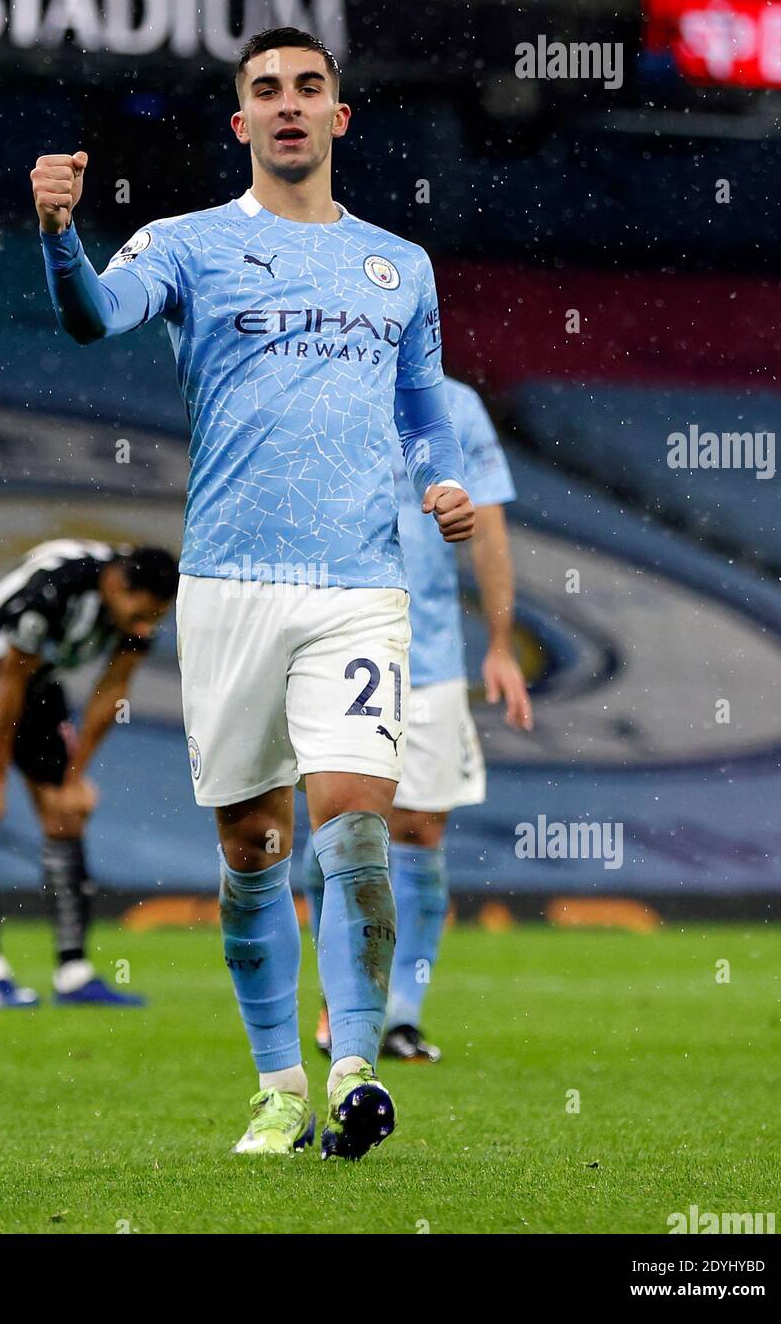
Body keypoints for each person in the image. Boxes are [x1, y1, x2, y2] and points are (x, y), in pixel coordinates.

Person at [31, 27, 475, 1158]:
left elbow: (423, 411)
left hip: (359, 586)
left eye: (309, 88)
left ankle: (360, 1069)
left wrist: (443, 482)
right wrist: (55, 235)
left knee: (357, 827)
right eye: (265, 91)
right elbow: (91, 318)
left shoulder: (399, 265)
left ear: (340, 117)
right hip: (228, 584)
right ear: (240, 123)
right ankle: (280, 1083)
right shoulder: (185, 244)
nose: (288, 105)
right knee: (250, 850)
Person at [302, 376, 533, 1062]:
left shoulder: (453, 406)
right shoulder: (319, 389)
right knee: (336, 822)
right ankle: (341, 1001)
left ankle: (399, 1013)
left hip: (426, 652)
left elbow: (486, 527)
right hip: (329, 639)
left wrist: (498, 644)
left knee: (419, 827)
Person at [0, 539, 178, 1008]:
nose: (145, 627)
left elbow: (113, 688)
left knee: (65, 814)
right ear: (117, 586)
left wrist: (73, 777)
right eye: (141, 614)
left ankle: (73, 972)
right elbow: (9, 679)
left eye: (155, 618)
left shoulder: (138, 604)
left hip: (38, 683)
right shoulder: (55, 589)